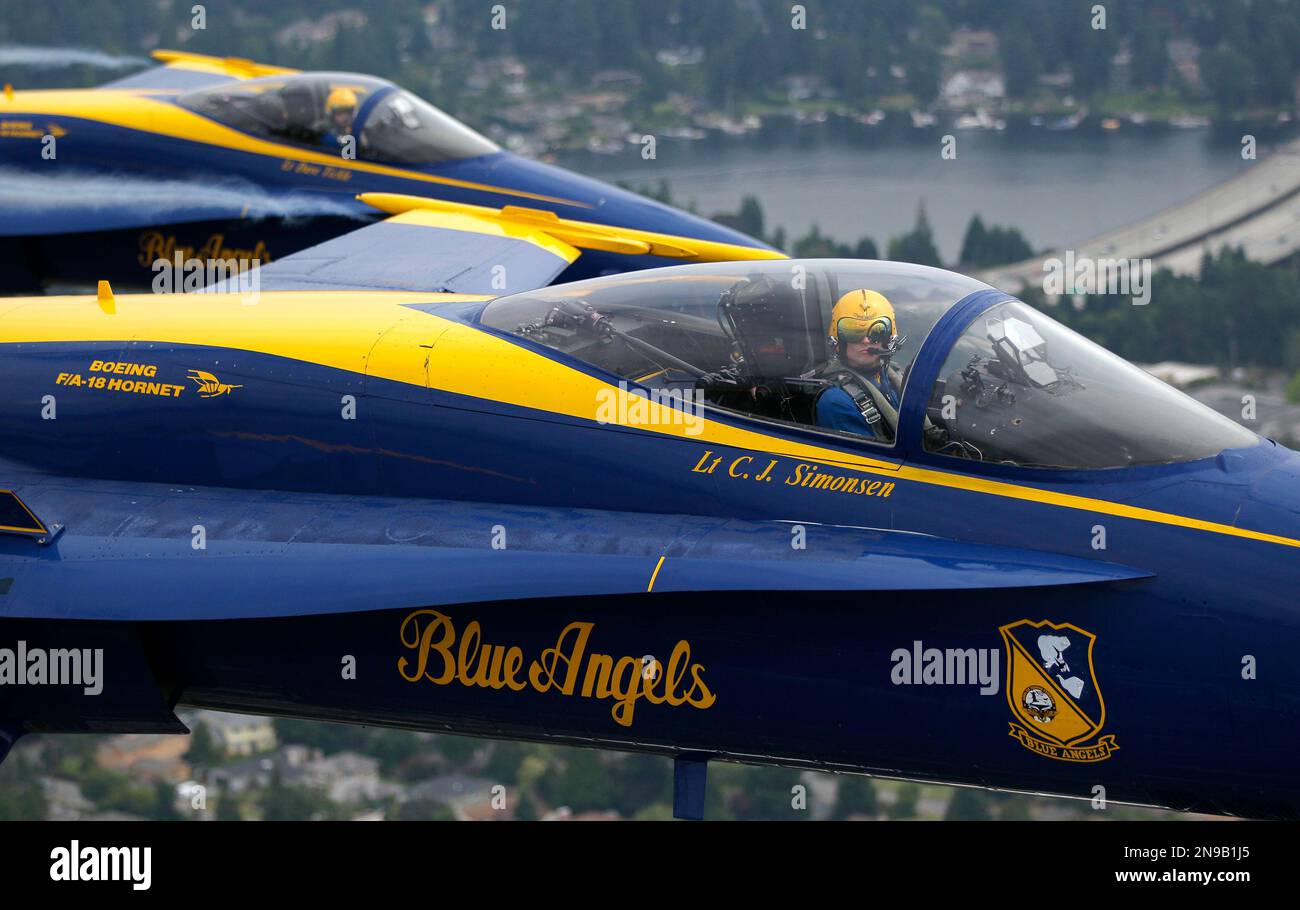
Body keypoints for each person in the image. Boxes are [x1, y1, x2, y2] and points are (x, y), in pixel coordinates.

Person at [813, 289, 905, 441]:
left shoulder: (893, 377)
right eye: (853, 331)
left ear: (889, 337)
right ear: (838, 340)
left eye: (877, 331)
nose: (866, 341)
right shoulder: (836, 402)